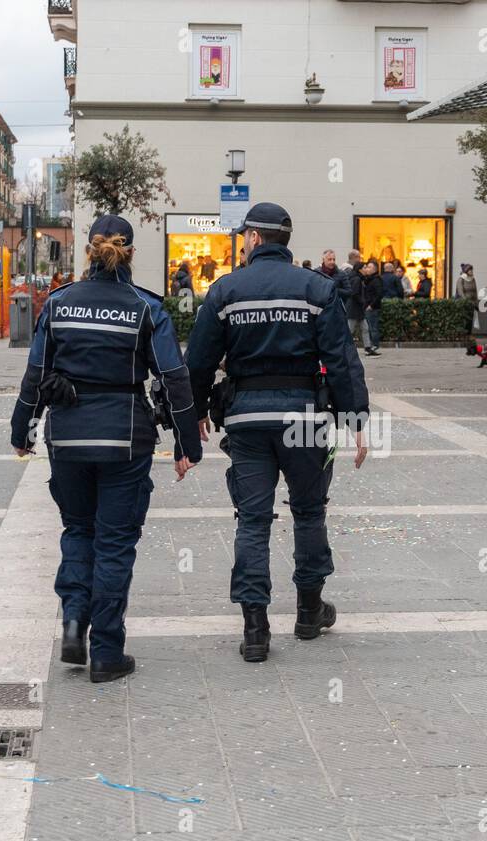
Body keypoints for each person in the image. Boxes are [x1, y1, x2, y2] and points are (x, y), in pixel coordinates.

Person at [10, 215, 201, 681]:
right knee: (115, 542)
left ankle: (74, 625)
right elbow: (173, 378)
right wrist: (187, 443)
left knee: (78, 530)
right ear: (130, 253)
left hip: (69, 436)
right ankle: (107, 653)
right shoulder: (145, 308)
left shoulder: (59, 303)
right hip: (124, 438)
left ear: (87, 252)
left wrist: (22, 430)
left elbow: (35, 374)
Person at [184, 202, 370, 663]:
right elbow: (342, 359)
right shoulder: (317, 288)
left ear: (252, 238)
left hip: (247, 419)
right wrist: (357, 422)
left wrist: (193, 415)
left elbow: (200, 361)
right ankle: (309, 611)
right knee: (308, 512)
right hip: (305, 419)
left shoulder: (225, 291)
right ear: (284, 240)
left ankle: (255, 628)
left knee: (252, 520)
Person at [359, 259, 383, 357]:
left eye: (370, 267)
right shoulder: (368, 279)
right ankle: (370, 346)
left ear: (375, 269)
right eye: (367, 267)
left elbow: (378, 294)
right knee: (368, 327)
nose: (367, 269)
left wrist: (371, 305)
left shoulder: (376, 280)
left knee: (373, 327)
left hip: (372, 307)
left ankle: (374, 345)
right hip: (367, 306)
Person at [454, 263, 479, 335]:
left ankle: (469, 335)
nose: (471, 271)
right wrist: (466, 301)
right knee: (464, 320)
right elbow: (460, 292)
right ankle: (463, 335)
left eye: (472, 270)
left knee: (470, 321)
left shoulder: (473, 279)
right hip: (463, 303)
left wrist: (476, 303)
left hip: (472, 304)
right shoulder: (461, 279)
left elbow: (475, 291)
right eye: (470, 270)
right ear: (466, 271)